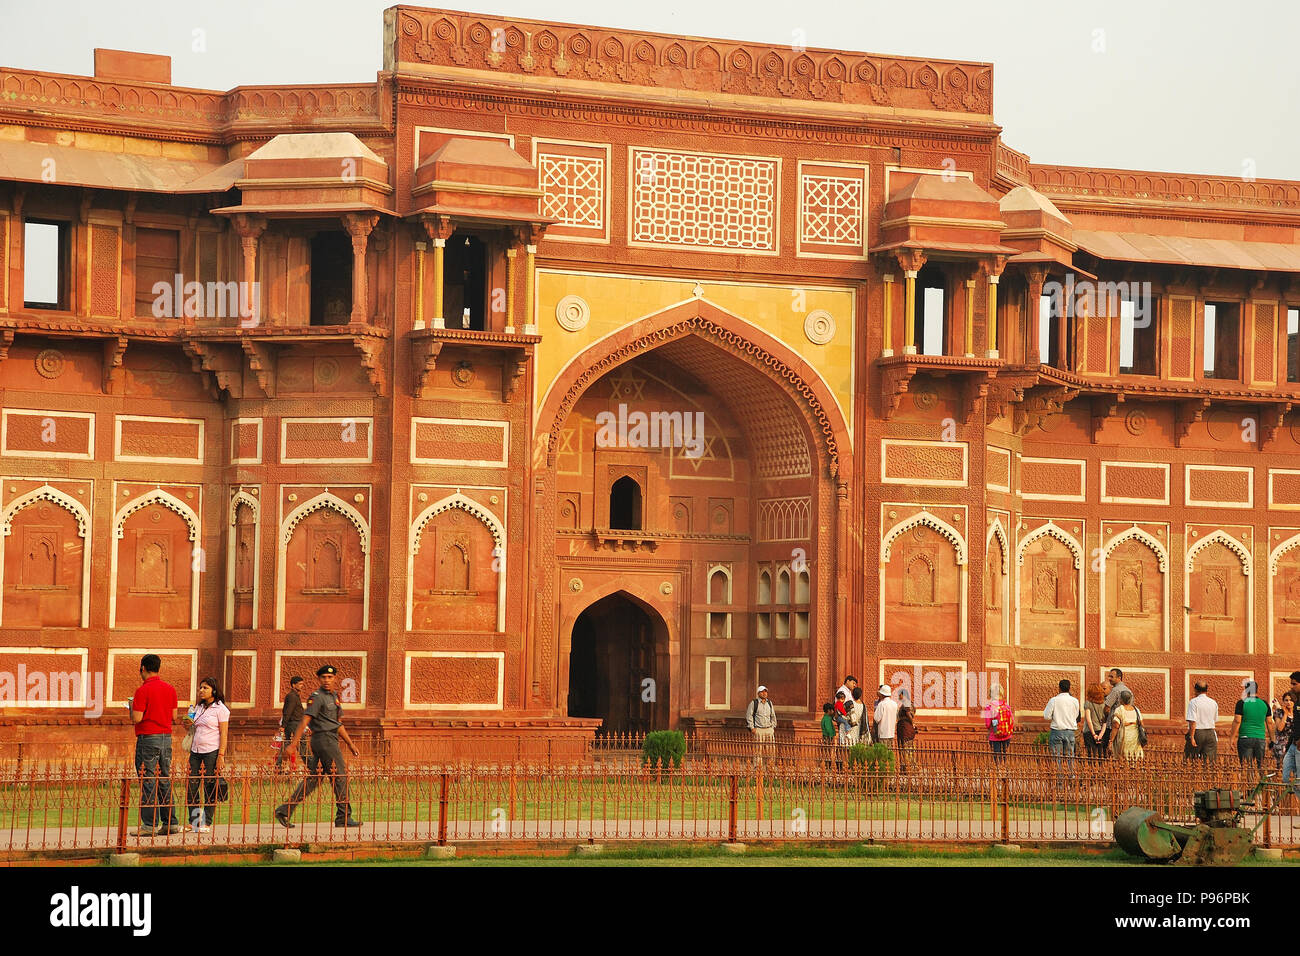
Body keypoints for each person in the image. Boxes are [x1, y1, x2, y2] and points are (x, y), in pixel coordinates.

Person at [276, 665, 361, 828]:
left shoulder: (334, 697)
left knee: (315, 778)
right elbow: (305, 720)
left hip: (329, 738)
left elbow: (337, 724)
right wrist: (293, 744)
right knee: (340, 776)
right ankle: (343, 817)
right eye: (323, 677)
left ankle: (284, 810)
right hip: (324, 740)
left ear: (335, 678)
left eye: (330, 677)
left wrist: (350, 744)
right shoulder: (317, 697)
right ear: (319, 679)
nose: (327, 680)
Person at [130, 654, 179, 836]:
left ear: (143, 668)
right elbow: (174, 716)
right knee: (164, 779)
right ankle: (170, 823)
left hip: (148, 738)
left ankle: (149, 825)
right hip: (166, 738)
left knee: (148, 780)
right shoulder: (170, 689)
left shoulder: (142, 690)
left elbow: (137, 718)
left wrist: (131, 707)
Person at [184, 677, 230, 832]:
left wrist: (221, 755)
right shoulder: (198, 707)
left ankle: (207, 822)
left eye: (205, 688)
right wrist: (186, 723)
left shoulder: (221, 709)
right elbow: (191, 728)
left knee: (209, 786)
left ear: (214, 690)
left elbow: (224, 734)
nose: (201, 690)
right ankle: (194, 821)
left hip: (212, 751)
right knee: (192, 786)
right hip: (195, 750)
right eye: (200, 687)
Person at [1230, 680, 1271, 770]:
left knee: (1247, 766)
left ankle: (1249, 779)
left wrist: (1232, 738)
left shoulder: (1241, 703)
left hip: (1245, 737)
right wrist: (1272, 739)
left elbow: (1237, 721)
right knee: (1259, 766)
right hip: (1260, 738)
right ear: (1257, 690)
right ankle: (1259, 779)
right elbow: (1269, 722)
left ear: (1246, 690)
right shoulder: (1264, 704)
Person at [1043, 679, 1081, 765]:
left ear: (1059, 688)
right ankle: (1071, 772)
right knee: (1070, 757)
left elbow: (1046, 716)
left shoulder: (1054, 700)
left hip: (1057, 731)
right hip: (1070, 731)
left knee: (1057, 757)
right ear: (1069, 688)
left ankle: (1058, 773)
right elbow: (1076, 715)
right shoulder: (1075, 701)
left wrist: (1055, 717)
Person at [275, 676, 307, 771]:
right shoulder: (292, 696)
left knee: (286, 744)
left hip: (293, 723)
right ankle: (312, 767)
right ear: (293, 685)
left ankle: (278, 766)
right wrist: (283, 726)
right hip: (294, 724)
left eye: (302, 684)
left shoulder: (294, 695)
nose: (302, 686)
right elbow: (288, 712)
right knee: (302, 745)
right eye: (300, 684)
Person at [1185, 681, 1219, 762]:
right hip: (1210, 732)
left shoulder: (1193, 702)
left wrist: (1191, 737)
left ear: (1195, 690)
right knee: (1209, 761)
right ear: (1206, 690)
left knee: (1191, 759)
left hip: (1197, 732)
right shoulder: (1213, 702)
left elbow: (1193, 722)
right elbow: (1215, 719)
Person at [1100, 668, 1132, 751]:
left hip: (1112, 725)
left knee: (1107, 750)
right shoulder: (1129, 691)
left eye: (1111, 677)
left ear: (1119, 678)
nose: (1109, 678)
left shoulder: (1115, 690)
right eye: (1109, 676)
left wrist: (1105, 719)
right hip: (1126, 725)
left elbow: (1107, 708)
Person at [1111, 690, 1144, 761]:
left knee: (1123, 757)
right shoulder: (1136, 710)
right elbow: (1141, 723)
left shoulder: (1119, 710)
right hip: (1135, 738)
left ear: (1121, 699)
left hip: (1123, 738)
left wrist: (1111, 740)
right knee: (1134, 757)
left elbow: (1116, 726)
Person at [984, 685, 1013, 759]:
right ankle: (1004, 766)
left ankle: (998, 766)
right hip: (1007, 735)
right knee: (1004, 756)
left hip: (994, 736)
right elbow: (1012, 720)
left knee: (997, 758)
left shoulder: (989, 707)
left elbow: (987, 724)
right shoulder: (1006, 706)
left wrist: (995, 725)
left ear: (990, 694)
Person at [1082, 683, 1108, 758]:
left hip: (1089, 732)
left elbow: (1088, 720)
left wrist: (1093, 734)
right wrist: (1100, 735)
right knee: (1100, 755)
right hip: (1100, 731)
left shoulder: (1088, 703)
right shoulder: (1104, 704)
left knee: (1091, 755)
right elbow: (1105, 721)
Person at [895, 687, 916, 771]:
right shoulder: (909, 703)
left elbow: (908, 713)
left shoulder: (906, 703)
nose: (899, 696)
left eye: (899, 695)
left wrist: (912, 722)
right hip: (905, 727)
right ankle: (907, 767)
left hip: (905, 728)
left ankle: (907, 768)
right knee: (907, 748)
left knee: (905, 748)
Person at [1272, 692, 1295, 772]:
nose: (1289, 702)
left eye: (1291, 700)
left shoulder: (1297, 713)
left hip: (1294, 744)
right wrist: (1285, 714)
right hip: (1282, 744)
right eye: (1286, 700)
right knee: (1282, 769)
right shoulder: (1279, 712)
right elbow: (1280, 728)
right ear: (1283, 701)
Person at [873, 684, 899, 748]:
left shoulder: (881, 704)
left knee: (883, 752)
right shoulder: (895, 704)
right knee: (889, 751)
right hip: (891, 733)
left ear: (882, 694)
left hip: (883, 734)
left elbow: (876, 719)